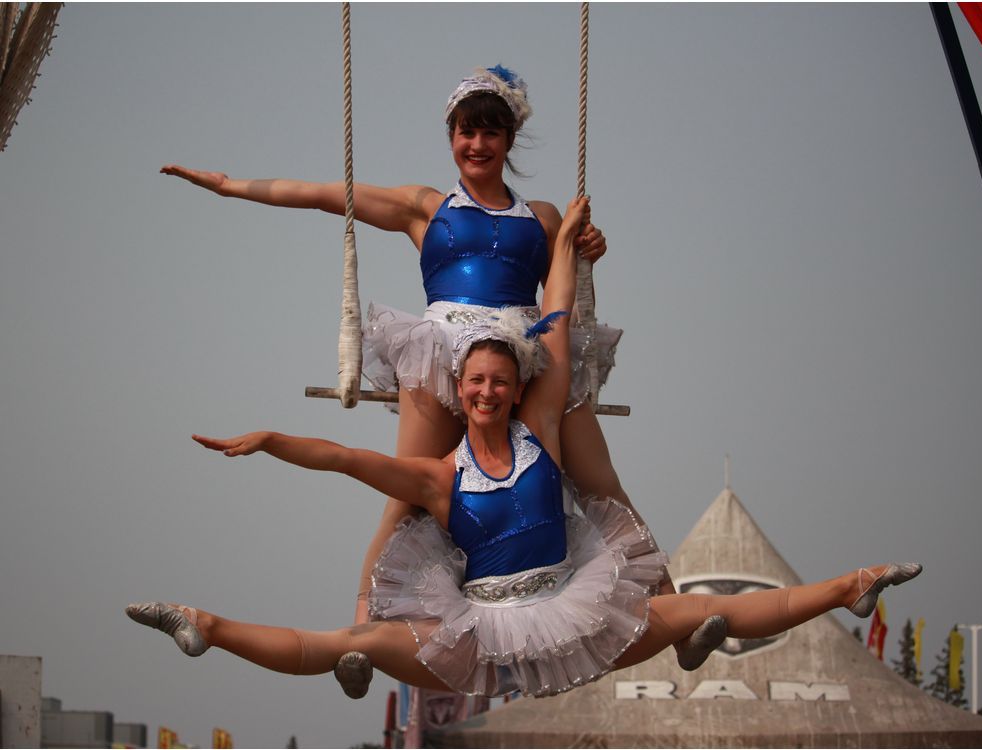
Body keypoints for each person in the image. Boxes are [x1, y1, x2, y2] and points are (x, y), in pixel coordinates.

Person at [127, 196, 922, 699]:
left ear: (512, 388)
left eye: (498, 382)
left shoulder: (539, 435)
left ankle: (851, 584)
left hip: (576, 617)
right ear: (460, 387)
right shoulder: (441, 477)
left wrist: (568, 245)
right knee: (348, 642)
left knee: (709, 608)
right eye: (473, 382)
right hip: (472, 630)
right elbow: (343, 459)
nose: (484, 393)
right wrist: (266, 441)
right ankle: (204, 623)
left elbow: (559, 328)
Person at [160, 65, 724, 694]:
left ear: (510, 141)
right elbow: (323, 194)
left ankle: (672, 614)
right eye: (465, 132)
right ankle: (357, 633)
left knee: (599, 480)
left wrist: (588, 242)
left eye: (490, 133)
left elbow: (567, 269)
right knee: (404, 497)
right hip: (439, 357)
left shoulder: (538, 216)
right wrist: (231, 186)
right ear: (450, 135)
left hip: (526, 361)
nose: (477, 145)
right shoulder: (424, 206)